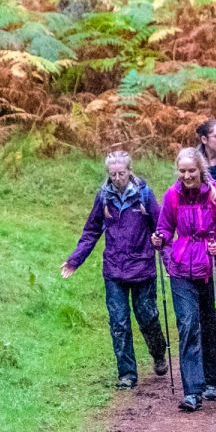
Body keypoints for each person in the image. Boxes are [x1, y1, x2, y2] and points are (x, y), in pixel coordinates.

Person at [61, 151, 168, 390]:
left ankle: (159, 351)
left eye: (121, 173)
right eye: (113, 174)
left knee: (147, 315)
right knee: (118, 322)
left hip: (142, 267)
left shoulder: (144, 195)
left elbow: (161, 229)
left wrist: (169, 261)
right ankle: (127, 374)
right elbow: (91, 231)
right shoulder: (104, 197)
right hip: (114, 269)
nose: (117, 178)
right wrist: (74, 260)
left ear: (130, 171)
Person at [151, 147, 216, 412]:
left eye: (191, 171)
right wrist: (161, 239)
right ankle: (193, 391)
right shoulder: (172, 195)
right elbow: (165, 227)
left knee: (211, 324)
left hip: (212, 268)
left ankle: (212, 379)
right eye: (183, 171)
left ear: (201, 170)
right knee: (188, 325)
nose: (187, 176)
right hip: (181, 269)